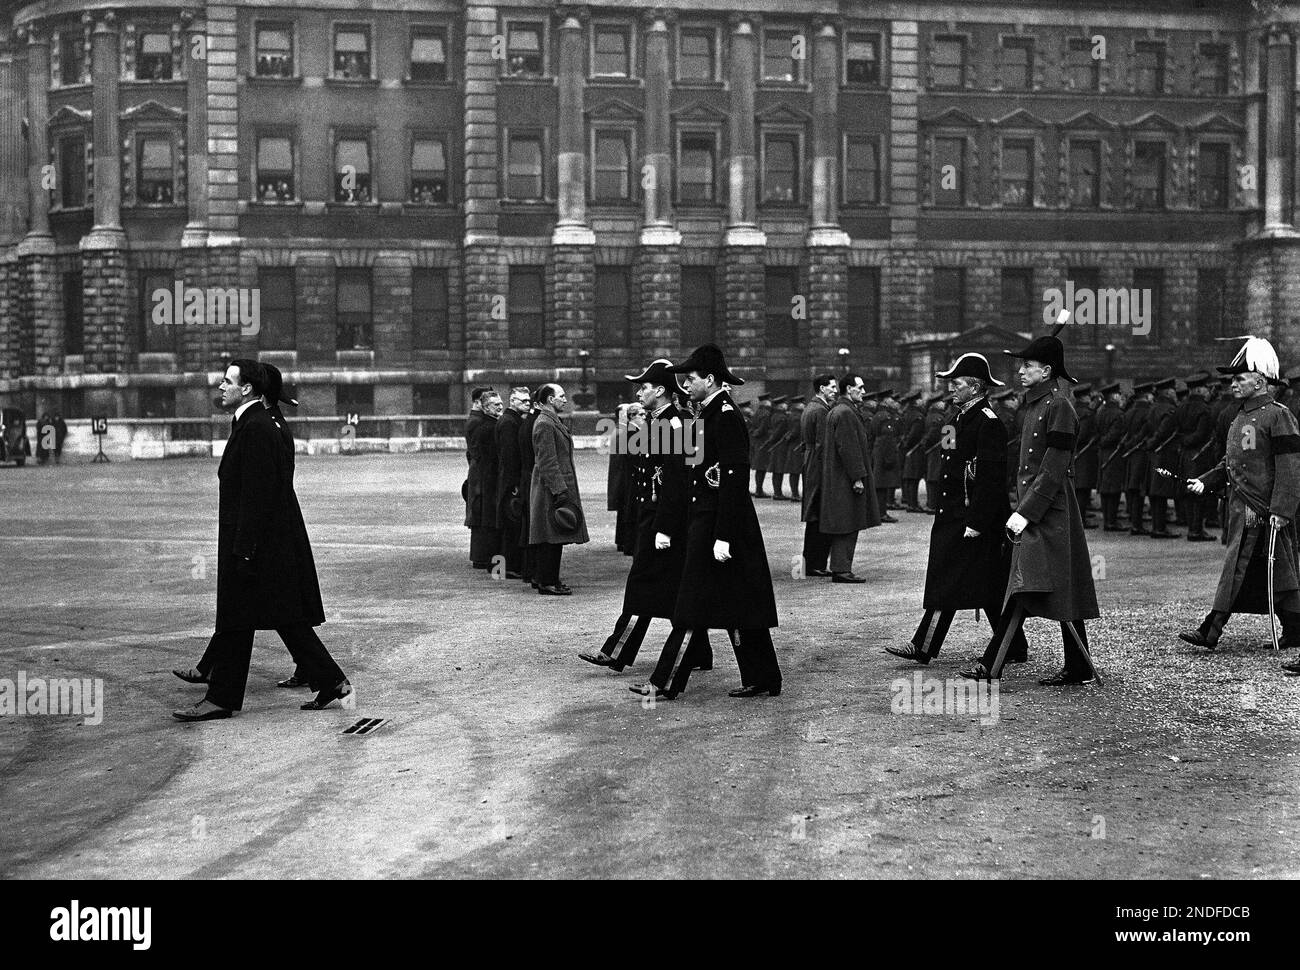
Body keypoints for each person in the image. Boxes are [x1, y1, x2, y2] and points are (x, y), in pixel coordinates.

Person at [173, 359, 351, 720]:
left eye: (227, 382)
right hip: (263, 541)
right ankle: (330, 680)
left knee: (242, 618)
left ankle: (221, 698)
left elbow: (257, 495)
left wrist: (245, 548)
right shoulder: (254, 423)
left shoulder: (255, 427)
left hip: (255, 543)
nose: (221, 387)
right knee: (279, 617)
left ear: (247, 389)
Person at [631, 345, 781, 700]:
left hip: (721, 525)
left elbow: (733, 477)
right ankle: (763, 677)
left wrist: (723, 535)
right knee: (741, 603)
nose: (686, 384)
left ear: (710, 379)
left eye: (692, 378)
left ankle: (664, 682)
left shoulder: (724, 415)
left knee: (691, 604)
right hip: (709, 521)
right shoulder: (708, 413)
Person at [960, 335, 1101, 686]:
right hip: (1037, 508)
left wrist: (1026, 511)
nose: (1021, 371)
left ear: (1047, 370)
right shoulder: (1036, 404)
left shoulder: (1059, 406)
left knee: (1025, 584)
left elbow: (1054, 467)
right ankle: (1078, 665)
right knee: (1053, 586)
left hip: (1050, 511)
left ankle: (992, 664)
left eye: (1028, 366)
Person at [887, 354, 1028, 665]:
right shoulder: (955, 420)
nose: (952, 389)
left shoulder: (989, 423)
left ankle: (923, 645)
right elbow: (949, 467)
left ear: (975, 387)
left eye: (957, 384)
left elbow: (991, 479)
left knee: (960, 580)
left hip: (977, 518)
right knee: (982, 582)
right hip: (952, 514)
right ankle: (1014, 645)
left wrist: (977, 521)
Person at [579, 360, 711, 672]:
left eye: (645, 387)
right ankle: (699, 653)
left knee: (643, 582)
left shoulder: (674, 425)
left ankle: (617, 651)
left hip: (665, 521)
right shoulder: (659, 421)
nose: (640, 393)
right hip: (655, 516)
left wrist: (663, 527)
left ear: (661, 390)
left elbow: (677, 482)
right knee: (677, 586)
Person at [1180, 338, 1300, 664]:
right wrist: (1205, 482)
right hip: (1241, 506)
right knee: (1281, 569)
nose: (1233, 384)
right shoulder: (1239, 416)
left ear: (1259, 380)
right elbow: (1229, 462)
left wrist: (1282, 510)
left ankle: (1211, 629)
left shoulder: (1279, 416)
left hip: (1262, 510)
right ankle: (1295, 627)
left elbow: (1290, 468)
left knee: (1237, 567)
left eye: (1240, 378)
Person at [819, 373, 880, 583]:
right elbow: (848, 448)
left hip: (839, 477)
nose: (863, 391)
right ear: (848, 389)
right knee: (847, 521)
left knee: (846, 520)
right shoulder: (845, 413)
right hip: (845, 478)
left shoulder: (842, 410)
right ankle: (841, 569)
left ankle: (841, 567)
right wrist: (857, 477)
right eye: (860, 387)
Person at [529, 384, 588, 594]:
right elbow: (547, 462)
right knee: (551, 536)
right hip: (551, 488)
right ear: (551, 400)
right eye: (561, 396)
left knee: (555, 535)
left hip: (555, 485)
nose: (565, 399)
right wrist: (559, 490)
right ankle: (547, 581)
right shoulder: (545, 423)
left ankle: (548, 578)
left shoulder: (550, 421)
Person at [800, 375, 837, 577]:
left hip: (810, 461)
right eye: (832, 387)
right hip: (819, 464)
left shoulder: (810, 407)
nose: (835, 390)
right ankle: (816, 563)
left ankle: (809, 564)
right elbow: (824, 444)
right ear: (822, 388)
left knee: (813, 515)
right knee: (821, 514)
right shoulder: (822, 410)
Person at [496, 386, 531, 579]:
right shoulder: (510, 422)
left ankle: (506, 566)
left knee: (511, 525)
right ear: (512, 402)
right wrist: (515, 485)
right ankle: (508, 567)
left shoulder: (512, 420)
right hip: (511, 482)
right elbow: (510, 457)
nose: (527, 403)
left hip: (509, 480)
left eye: (528, 400)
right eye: (523, 401)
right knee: (512, 525)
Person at [1177, 372, 1216, 542]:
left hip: (1185, 456)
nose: (1208, 391)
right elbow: (1201, 434)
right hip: (1200, 455)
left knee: (1188, 493)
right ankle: (1197, 530)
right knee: (1199, 493)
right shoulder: (1205, 410)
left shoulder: (1182, 407)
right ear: (1200, 389)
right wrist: (1189, 441)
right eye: (1206, 388)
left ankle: (1192, 528)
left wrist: (1183, 441)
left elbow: (1175, 429)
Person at [1144, 378, 1182, 538]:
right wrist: (1153, 443)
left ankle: (1157, 526)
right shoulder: (1170, 409)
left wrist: (1149, 444)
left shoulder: (1152, 408)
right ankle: (1160, 528)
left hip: (1153, 454)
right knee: (1161, 492)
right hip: (1164, 454)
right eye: (1173, 391)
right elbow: (1163, 431)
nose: (1175, 393)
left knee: (1155, 492)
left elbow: (1147, 429)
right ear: (1168, 392)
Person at [464, 386, 496, 568]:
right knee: (481, 513)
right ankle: (481, 557)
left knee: (479, 512)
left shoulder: (475, 420)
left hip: (477, 470)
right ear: (478, 402)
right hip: (481, 471)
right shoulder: (477, 422)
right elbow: (476, 451)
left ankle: (480, 556)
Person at [1123, 382, 1155, 535]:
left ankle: (1135, 522)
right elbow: (1146, 432)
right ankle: (1137, 525)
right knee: (1139, 490)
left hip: (1131, 454)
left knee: (1132, 489)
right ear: (1147, 395)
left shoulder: (1129, 412)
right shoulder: (1149, 411)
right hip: (1141, 453)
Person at [1095, 382, 1127, 531]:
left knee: (1104, 487)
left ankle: (1108, 520)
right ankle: (1111, 522)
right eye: (1119, 394)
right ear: (1114, 396)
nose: (1120, 397)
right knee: (1113, 488)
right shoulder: (1118, 413)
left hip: (1103, 452)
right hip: (1113, 452)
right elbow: (1114, 434)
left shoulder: (1100, 411)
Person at [518, 396, 540, 587]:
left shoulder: (528, 422)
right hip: (532, 478)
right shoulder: (537, 424)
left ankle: (529, 570)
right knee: (534, 527)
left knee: (528, 526)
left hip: (527, 477)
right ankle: (533, 571)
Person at [871, 390, 901, 521]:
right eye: (890, 399)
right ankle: (881, 513)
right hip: (884, 453)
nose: (893, 402)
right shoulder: (886, 417)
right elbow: (887, 438)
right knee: (882, 484)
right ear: (885, 401)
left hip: (879, 452)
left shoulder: (878, 414)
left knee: (881, 484)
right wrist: (889, 458)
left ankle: (880, 512)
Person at [1073, 384, 1099, 528]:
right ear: (1084, 397)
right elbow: (1081, 435)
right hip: (1083, 454)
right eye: (1089, 396)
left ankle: (1078, 519)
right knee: (1082, 489)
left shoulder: (1072, 409)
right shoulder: (1087, 413)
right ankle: (1080, 520)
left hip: (1075, 453)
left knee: (1077, 488)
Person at [898, 391, 926, 512]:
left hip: (906, 449)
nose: (922, 401)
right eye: (920, 399)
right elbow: (914, 435)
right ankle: (912, 504)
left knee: (909, 477)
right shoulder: (918, 416)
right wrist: (908, 444)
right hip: (915, 450)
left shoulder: (906, 414)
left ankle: (911, 503)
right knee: (913, 478)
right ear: (916, 401)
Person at [922, 394, 947, 514]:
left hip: (934, 451)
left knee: (933, 476)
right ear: (936, 404)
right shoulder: (938, 417)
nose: (943, 403)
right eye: (941, 401)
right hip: (937, 451)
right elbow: (933, 435)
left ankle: (932, 504)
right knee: (934, 477)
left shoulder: (933, 415)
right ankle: (933, 504)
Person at [766, 397, 792, 500]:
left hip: (775, 446)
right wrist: (772, 441)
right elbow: (778, 433)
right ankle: (778, 493)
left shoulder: (774, 416)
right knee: (779, 470)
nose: (787, 406)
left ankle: (777, 492)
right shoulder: (782, 418)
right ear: (780, 406)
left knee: (776, 469)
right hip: (780, 446)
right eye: (785, 404)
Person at [750, 393, 773, 497]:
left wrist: (754, 433)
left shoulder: (757, 412)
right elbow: (763, 428)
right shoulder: (766, 413)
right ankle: (759, 490)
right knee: (761, 467)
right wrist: (758, 433)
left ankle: (758, 489)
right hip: (763, 442)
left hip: (756, 442)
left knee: (759, 467)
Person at [784, 396, 806, 501]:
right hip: (797, 446)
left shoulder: (792, 415)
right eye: (802, 403)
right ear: (798, 405)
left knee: (794, 471)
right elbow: (795, 431)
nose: (804, 405)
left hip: (793, 446)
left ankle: (795, 493)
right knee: (796, 471)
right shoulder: (798, 416)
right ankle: (795, 494)